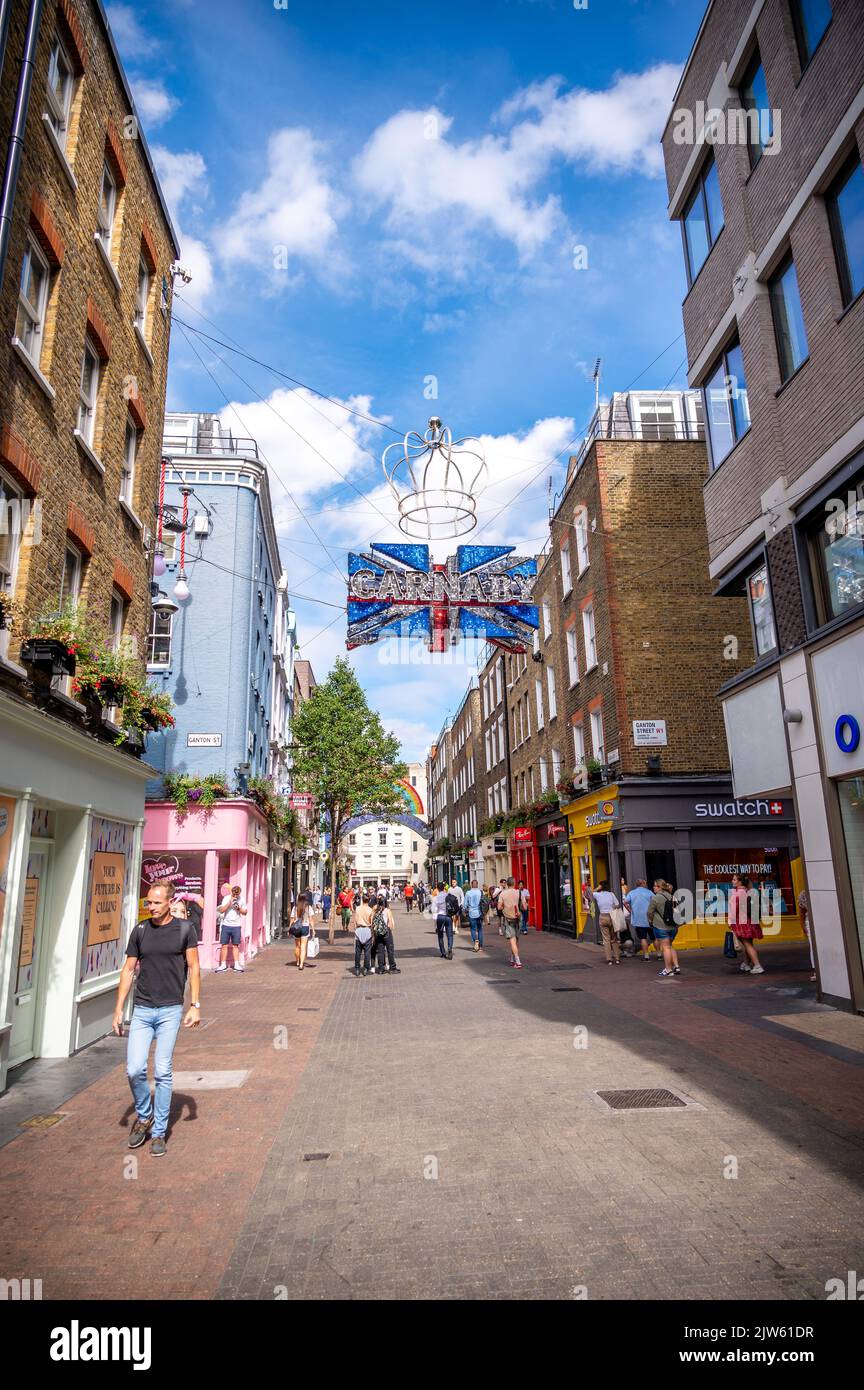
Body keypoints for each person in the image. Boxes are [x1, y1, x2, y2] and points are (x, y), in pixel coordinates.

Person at [114, 882, 201, 1157]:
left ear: (169, 902)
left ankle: (160, 1131)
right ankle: (144, 1115)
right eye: (148, 902)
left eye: (156, 902)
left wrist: (195, 1005)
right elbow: (128, 970)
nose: (150, 907)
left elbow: (194, 967)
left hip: (170, 1010)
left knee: (162, 1071)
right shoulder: (140, 931)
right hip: (142, 1009)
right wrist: (119, 1009)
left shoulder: (184, 930)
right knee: (134, 1069)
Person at [728, 873, 764, 975]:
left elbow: (734, 910)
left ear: (740, 882)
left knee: (747, 944)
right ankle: (746, 963)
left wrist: (730, 922)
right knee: (749, 944)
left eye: (734, 880)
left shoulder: (737, 893)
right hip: (749, 921)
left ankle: (757, 966)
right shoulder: (747, 891)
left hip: (741, 922)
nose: (732, 881)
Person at [648, 878, 681, 978]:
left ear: (659, 887)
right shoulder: (672, 896)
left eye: (654, 886)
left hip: (661, 926)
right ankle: (676, 966)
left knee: (665, 948)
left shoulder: (655, 898)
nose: (653, 887)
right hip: (673, 926)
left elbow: (649, 912)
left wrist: (651, 921)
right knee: (670, 946)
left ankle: (668, 969)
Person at [215, 883, 246, 972]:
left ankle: (236, 964)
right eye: (234, 894)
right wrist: (230, 902)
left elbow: (245, 912)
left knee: (235, 945)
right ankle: (223, 964)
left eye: (237, 894)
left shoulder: (242, 900)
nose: (235, 895)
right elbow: (221, 910)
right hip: (226, 925)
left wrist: (238, 908)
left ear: (239, 893)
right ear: (231, 892)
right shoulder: (226, 898)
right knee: (224, 945)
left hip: (236, 925)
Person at [623, 878, 657, 960]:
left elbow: (625, 902)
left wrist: (630, 911)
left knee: (643, 938)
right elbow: (655, 902)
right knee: (654, 938)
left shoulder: (632, 893)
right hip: (650, 918)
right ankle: (659, 954)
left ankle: (646, 956)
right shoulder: (649, 892)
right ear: (643, 884)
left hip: (638, 919)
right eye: (645, 883)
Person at [592, 880, 621, 965]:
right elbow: (617, 904)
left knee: (606, 939)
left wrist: (597, 888)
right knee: (614, 939)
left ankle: (609, 959)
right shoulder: (611, 894)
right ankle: (617, 958)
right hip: (612, 916)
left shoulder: (597, 895)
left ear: (601, 887)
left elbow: (588, 893)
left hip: (603, 917)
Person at [372, 893, 400, 974]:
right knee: (390, 950)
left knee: (380, 951)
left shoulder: (375, 910)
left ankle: (381, 969)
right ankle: (392, 968)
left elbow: (372, 923)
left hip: (378, 933)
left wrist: (374, 934)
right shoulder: (387, 910)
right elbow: (390, 924)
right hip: (386, 932)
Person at [288, 892, 316, 970]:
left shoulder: (295, 908)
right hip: (305, 927)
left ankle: (297, 961)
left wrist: (289, 928)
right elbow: (311, 919)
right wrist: (313, 929)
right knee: (303, 946)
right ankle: (301, 964)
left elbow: (292, 919)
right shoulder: (308, 907)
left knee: (297, 946)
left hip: (297, 928)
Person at [498, 877, 523, 967]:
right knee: (516, 939)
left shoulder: (503, 894)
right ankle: (512, 958)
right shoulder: (519, 893)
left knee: (512, 939)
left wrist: (505, 906)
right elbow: (524, 907)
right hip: (518, 918)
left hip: (508, 919)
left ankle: (517, 960)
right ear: (514, 883)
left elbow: (499, 907)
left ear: (507, 884)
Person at [797, 887, 817, 982]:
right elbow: (801, 912)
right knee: (814, 946)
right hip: (810, 921)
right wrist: (803, 925)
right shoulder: (804, 894)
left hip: (816, 920)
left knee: (814, 946)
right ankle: (817, 971)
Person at [434, 882, 454, 959]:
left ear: (437, 889)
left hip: (440, 916)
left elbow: (434, 909)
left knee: (440, 935)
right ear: (444, 888)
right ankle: (449, 949)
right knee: (449, 935)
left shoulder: (436, 898)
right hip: (448, 916)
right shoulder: (448, 895)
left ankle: (443, 952)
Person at [465, 878, 484, 952]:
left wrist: (464, 911)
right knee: (480, 929)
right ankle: (481, 947)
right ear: (477, 885)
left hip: (471, 913)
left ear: (471, 885)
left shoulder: (468, 893)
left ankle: (476, 941)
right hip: (479, 913)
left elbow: (465, 904)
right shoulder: (480, 892)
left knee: (473, 929)